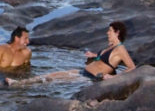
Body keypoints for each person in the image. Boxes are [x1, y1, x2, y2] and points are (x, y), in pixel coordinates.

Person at [8, 21, 136, 85]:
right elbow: (106, 60)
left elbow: (132, 67)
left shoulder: (120, 49)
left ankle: (18, 85)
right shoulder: (111, 46)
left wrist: (113, 77)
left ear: (117, 33)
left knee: (51, 80)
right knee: (52, 74)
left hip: (88, 77)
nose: (108, 33)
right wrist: (94, 55)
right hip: (83, 71)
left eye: (110, 31)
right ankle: (19, 83)